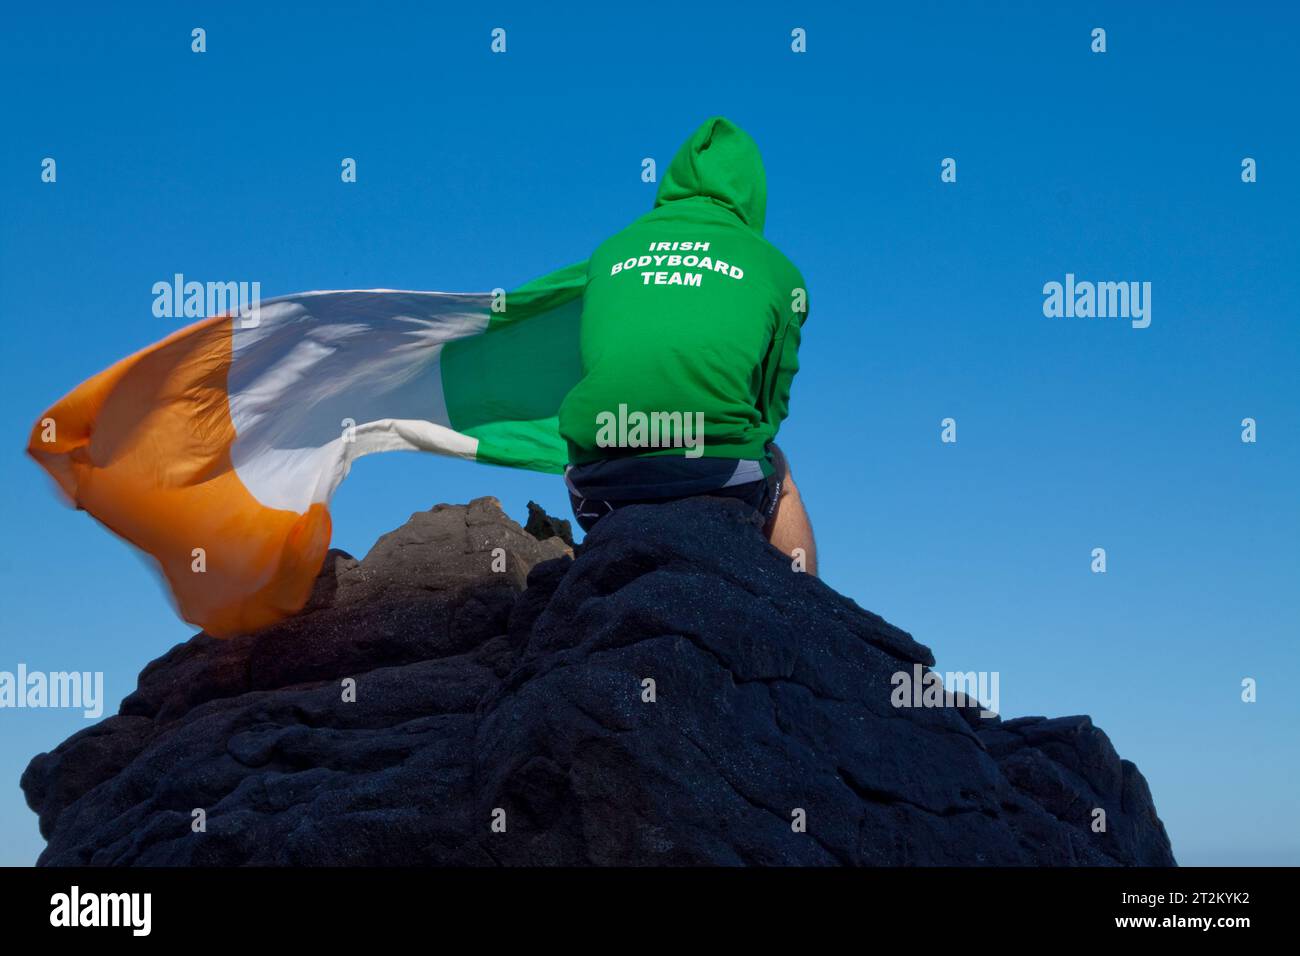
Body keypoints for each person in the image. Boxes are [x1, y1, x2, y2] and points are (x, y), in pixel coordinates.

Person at [557, 117, 817, 574]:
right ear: (753, 192)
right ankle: (808, 615)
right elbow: (771, 409)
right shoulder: (778, 270)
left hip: (599, 474)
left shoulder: (609, 251)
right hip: (716, 471)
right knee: (779, 465)